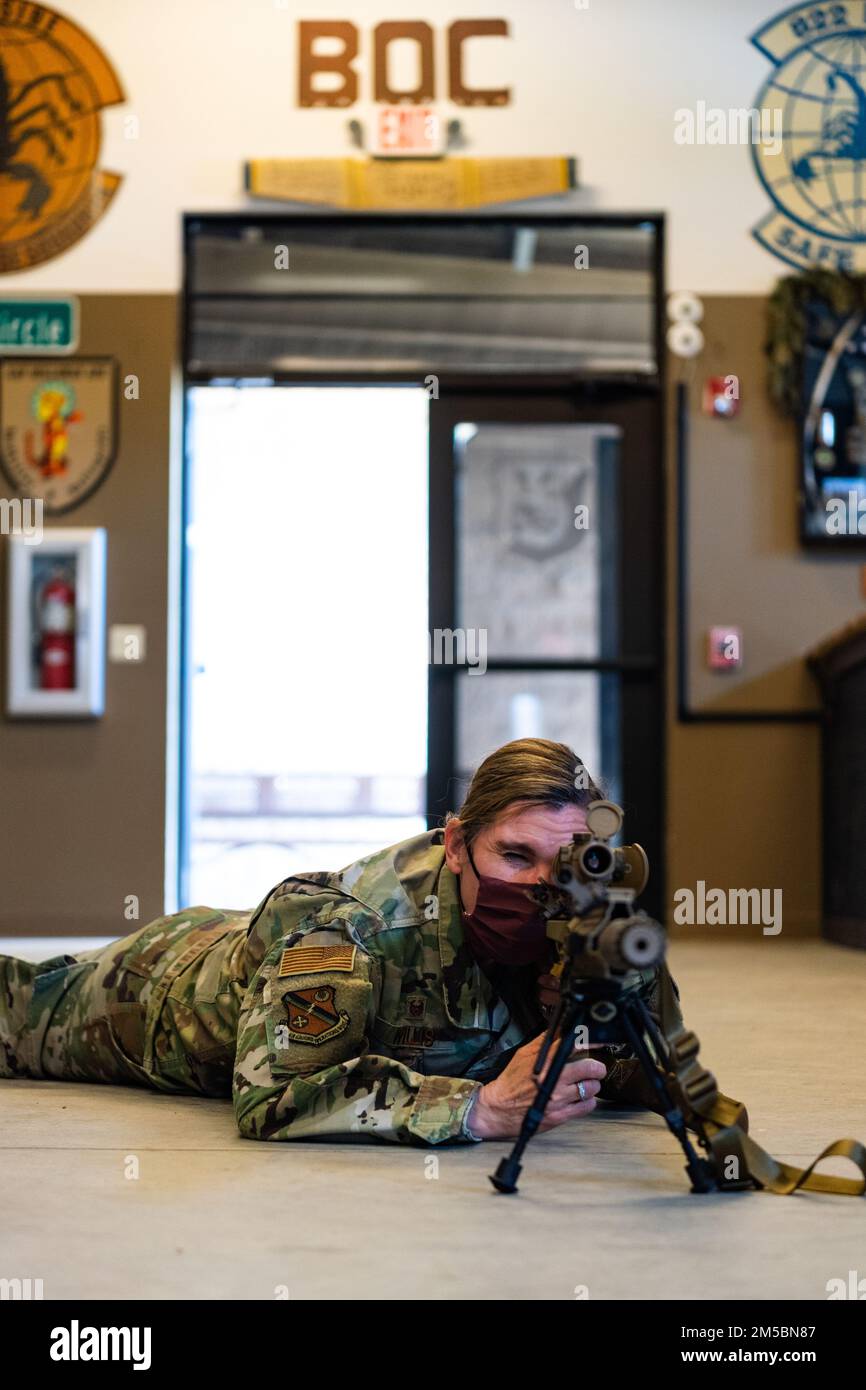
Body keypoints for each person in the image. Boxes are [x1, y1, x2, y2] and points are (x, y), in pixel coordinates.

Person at [0, 738, 682, 1145]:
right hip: (160, 989)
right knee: (16, 1012)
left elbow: (650, 1070)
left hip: (252, 945)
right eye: (513, 856)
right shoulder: (348, 930)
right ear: (454, 844)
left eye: (560, 862)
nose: (539, 883)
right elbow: (270, 1101)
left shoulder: (581, 918)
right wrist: (479, 1109)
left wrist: (609, 1001)